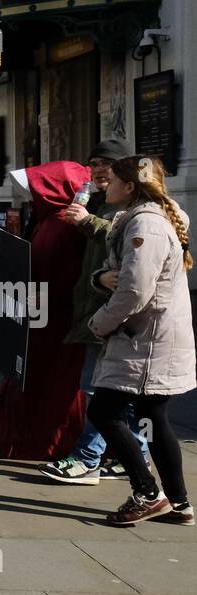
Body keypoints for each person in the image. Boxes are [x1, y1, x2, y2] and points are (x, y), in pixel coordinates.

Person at [84, 155, 195, 526]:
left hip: (145, 340)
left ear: (130, 186)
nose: (105, 184)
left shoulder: (145, 225)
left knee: (103, 411)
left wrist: (98, 323)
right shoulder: (147, 219)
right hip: (155, 337)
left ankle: (148, 493)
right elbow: (120, 275)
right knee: (153, 416)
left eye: (112, 178)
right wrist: (100, 279)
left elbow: (134, 291)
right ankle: (179, 503)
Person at [40, 138, 150, 485]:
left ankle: (88, 459)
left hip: (121, 314)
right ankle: (137, 456)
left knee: (103, 390)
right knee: (123, 393)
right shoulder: (102, 202)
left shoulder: (135, 210)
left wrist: (87, 222)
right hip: (99, 306)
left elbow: (124, 239)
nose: (99, 170)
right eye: (94, 163)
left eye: (107, 163)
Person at [0, 162, 90, 460]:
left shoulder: (62, 225)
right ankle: (30, 436)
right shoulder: (49, 220)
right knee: (34, 376)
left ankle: (45, 440)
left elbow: (63, 276)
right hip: (39, 316)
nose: (28, 197)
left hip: (53, 320)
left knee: (50, 380)